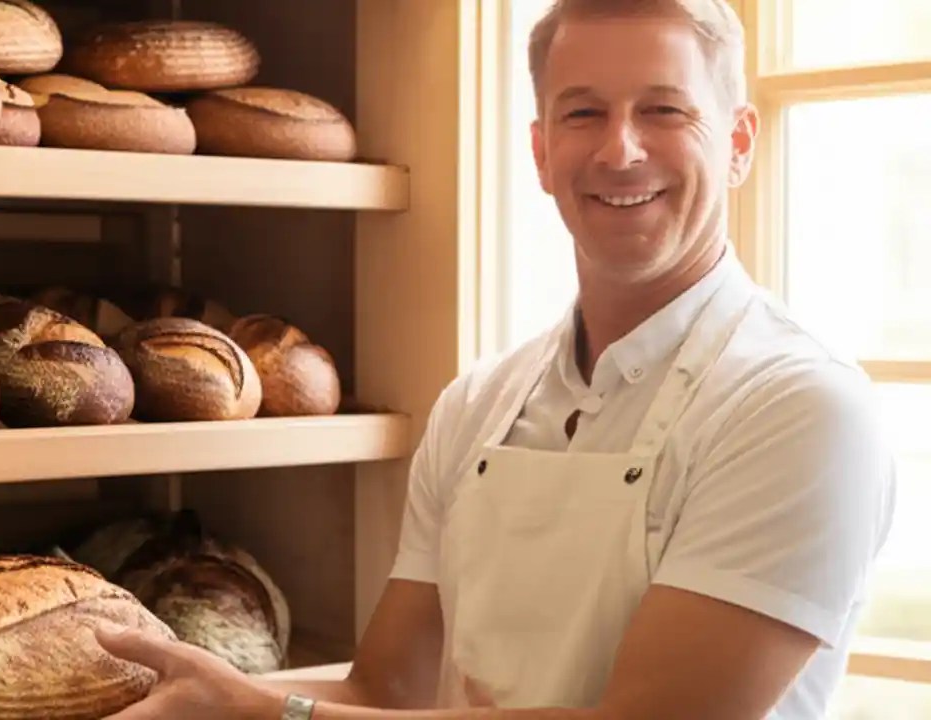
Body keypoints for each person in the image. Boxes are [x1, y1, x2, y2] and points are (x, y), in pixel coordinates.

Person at [94, 1, 897, 718]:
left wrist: (267, 714)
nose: (621, 151)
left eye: (664, 110)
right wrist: (189, 698)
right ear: (542, 153)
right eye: (584, 114)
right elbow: (386, 693)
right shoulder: (480, 402)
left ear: (738, 144)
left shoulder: (799, 409)